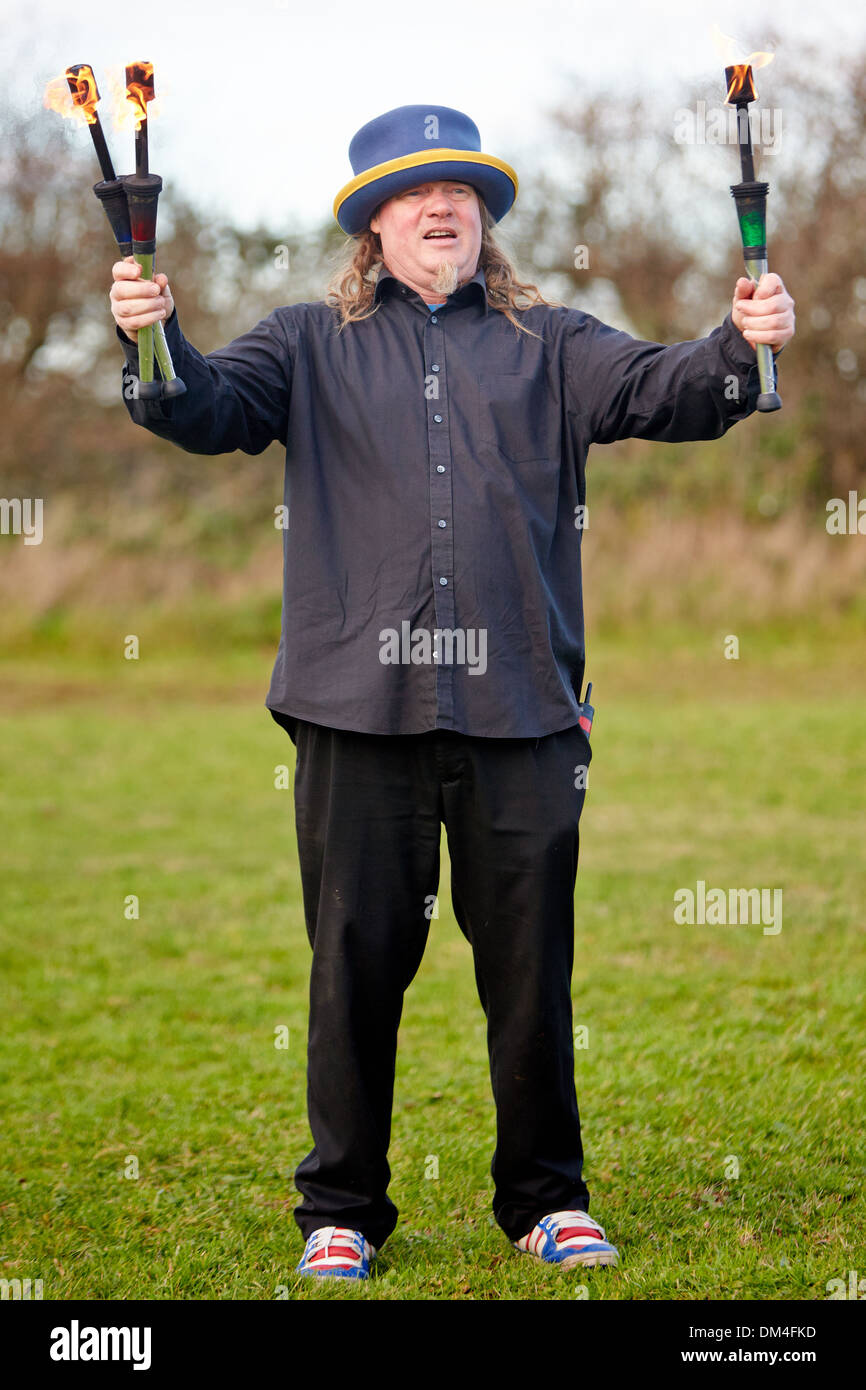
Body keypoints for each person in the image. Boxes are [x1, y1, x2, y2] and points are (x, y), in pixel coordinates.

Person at [110, 104, 795, 1281]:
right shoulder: (305, 343)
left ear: (484, 221)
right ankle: (341, 1209)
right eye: (420, 194)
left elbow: (664, 388)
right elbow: (201, 405)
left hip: (525, 715)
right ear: (374, 224)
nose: (445, 209)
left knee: (529, 969)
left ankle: (545, 1198)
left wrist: (740, 345)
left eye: (464, 194)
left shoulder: (553, 343)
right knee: (353, 966)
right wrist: (151, 340)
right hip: (353, 712)